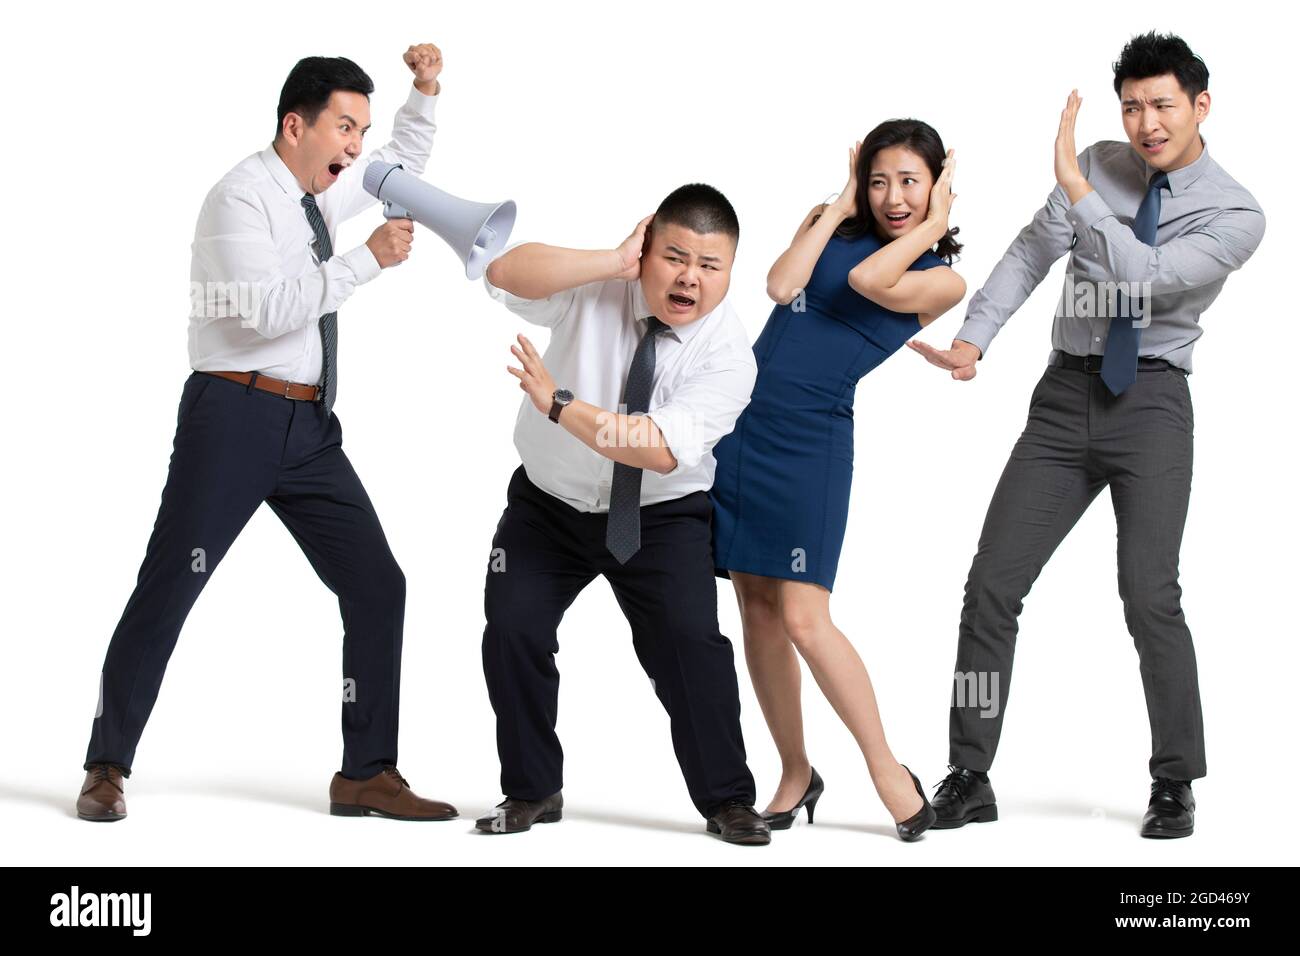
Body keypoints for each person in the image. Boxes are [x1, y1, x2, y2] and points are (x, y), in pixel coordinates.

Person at [77, 47, 458, 823]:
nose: (355, 146)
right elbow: (264, 311)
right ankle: (106, 765)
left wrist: (424, 94)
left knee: (378, 584)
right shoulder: (238, 198)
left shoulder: (319, 191)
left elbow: (397, 166)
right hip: (234, 418)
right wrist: (367, 263)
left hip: (308, 428)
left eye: (361, 129)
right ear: (296, 125)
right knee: (172, 585)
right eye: (344, 128)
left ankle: (365, 772)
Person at [911, 32, 1265, 838]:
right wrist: (976, 336)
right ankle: (970, 770)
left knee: (1150, 597)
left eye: (1162, 105)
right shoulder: (1104, 164)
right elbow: (1032, 253)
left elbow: (1145, 279)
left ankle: (1175, 778)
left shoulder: (1238, 212)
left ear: (1200, 106)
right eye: (1132, 106)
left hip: (1152, 407)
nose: (1145, 123)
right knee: (991, 586)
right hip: (1063, 403)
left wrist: (1077, 190)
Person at [474, 184, 771, 845]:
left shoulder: (728, 354)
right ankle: (530, 789)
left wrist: (559, 404)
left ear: (729, 272)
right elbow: (501, 271)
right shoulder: (601, 283)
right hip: (548, 505)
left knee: (692, 649)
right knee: (513, 627)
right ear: (647, 249)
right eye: (674, 256)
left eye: (709, 265)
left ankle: (727, 800)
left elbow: (658, 449)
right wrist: (609, 262)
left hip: (661, 518)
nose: (689, 277)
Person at [709, 121, 966, 840]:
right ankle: (795, 772)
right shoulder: (831, 224)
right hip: (740, 429)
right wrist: (838, 203)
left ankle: (888, 771)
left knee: (804, 617)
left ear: (939, 183)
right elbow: (780, 283)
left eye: (910, 181)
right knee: (756, 609)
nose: (892, 197)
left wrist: (937, 223)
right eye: (879, 179)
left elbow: (867, 282)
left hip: (810, 445)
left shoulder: (942, 279)